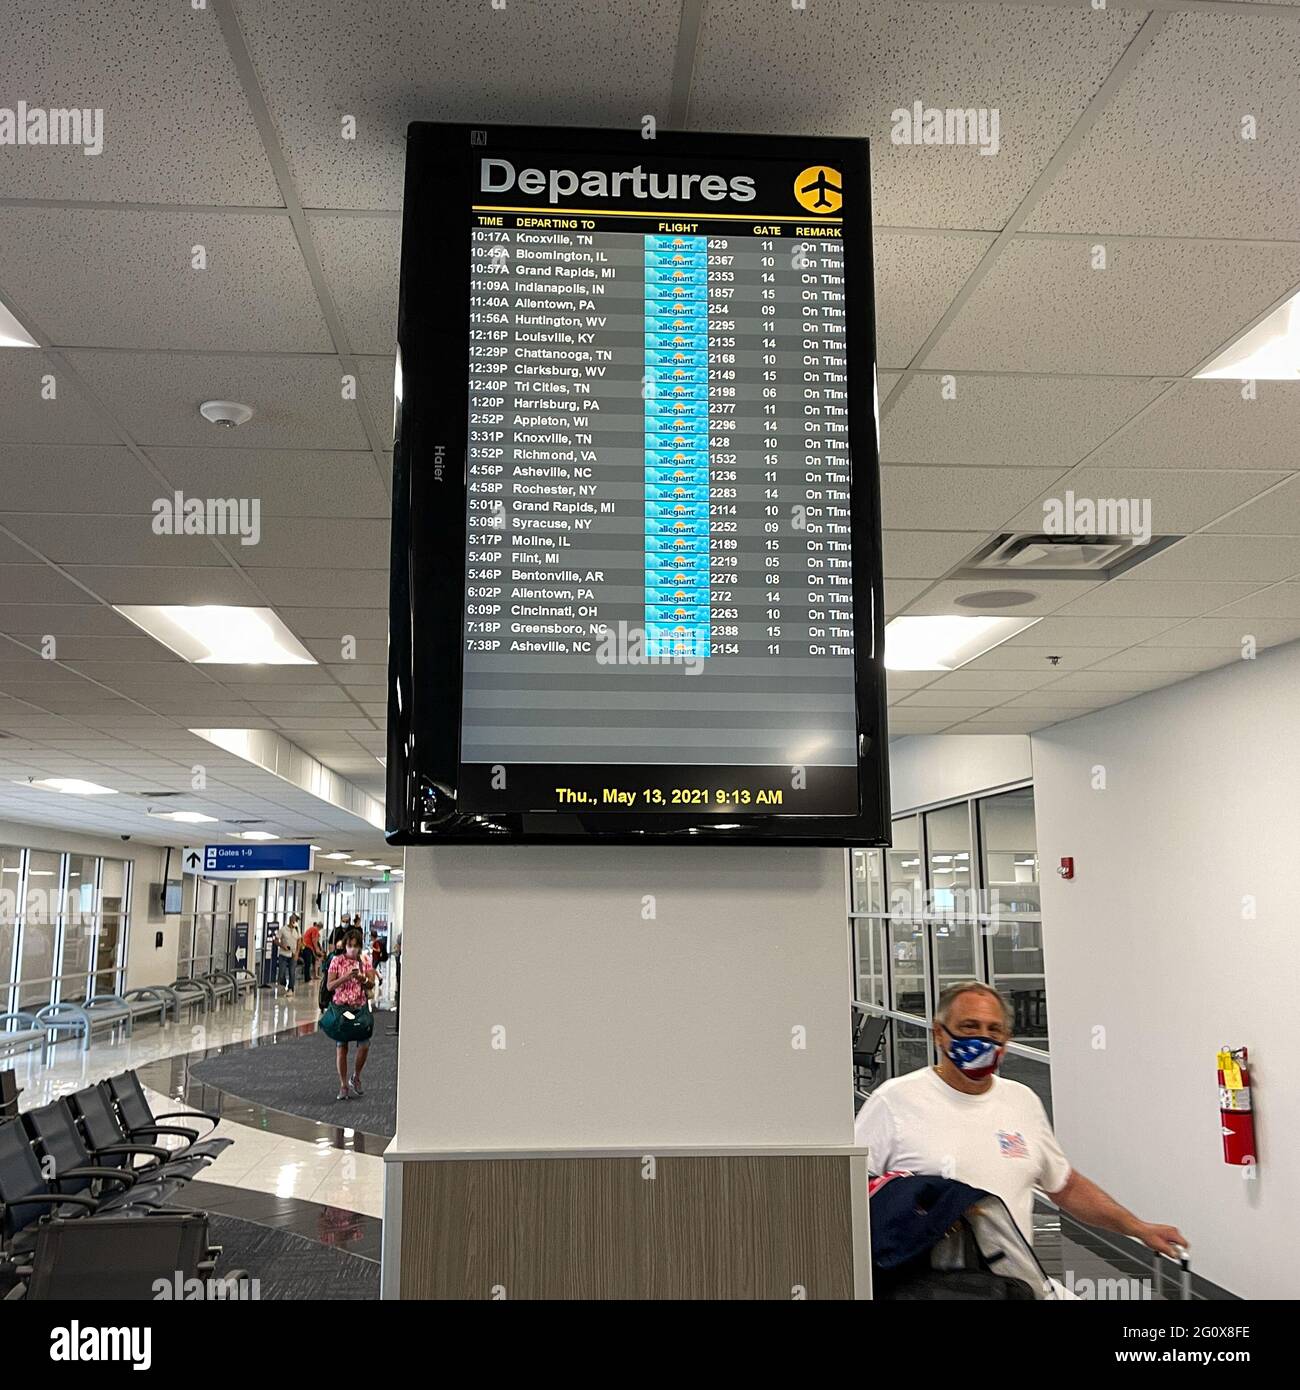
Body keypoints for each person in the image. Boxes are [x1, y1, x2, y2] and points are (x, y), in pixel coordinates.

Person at [854, 980, 1187, 1258]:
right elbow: (848, 1193)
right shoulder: (894, 1101)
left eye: (993, 1029)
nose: (982, 1038)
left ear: (1006, 1041)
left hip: (1010, 1283)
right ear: (939, 1034)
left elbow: (1065, 1186)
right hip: (924, 1287)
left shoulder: (1022, 1101)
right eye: (969, 1026)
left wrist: (1137, 1227)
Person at [319, 927, 376, 1101]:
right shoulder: (337, 961)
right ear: (345, 945)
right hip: (341, 1009)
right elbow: (329, 986)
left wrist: (361, 978)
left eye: (356, 946)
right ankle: (343, 1085)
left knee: (364, 1044)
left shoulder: (365, 960)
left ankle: (356, 1076)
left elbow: (371, 983)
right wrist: (345, 977)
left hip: (358, 1008)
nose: (353, 949)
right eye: (350, 945)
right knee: (341, 1047)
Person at [277, 915, 302, 997]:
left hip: (293, 954)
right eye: (293, 920)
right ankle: (283, 983)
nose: (294, 922)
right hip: (283, 954)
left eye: (296, 921)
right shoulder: (283, 929)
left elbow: (299, 941)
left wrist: (297, 953)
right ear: (290, 920)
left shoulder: (297, 929)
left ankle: (290, 988)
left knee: (292, 972)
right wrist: (282, 945)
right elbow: (276, 940)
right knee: (281, 972)